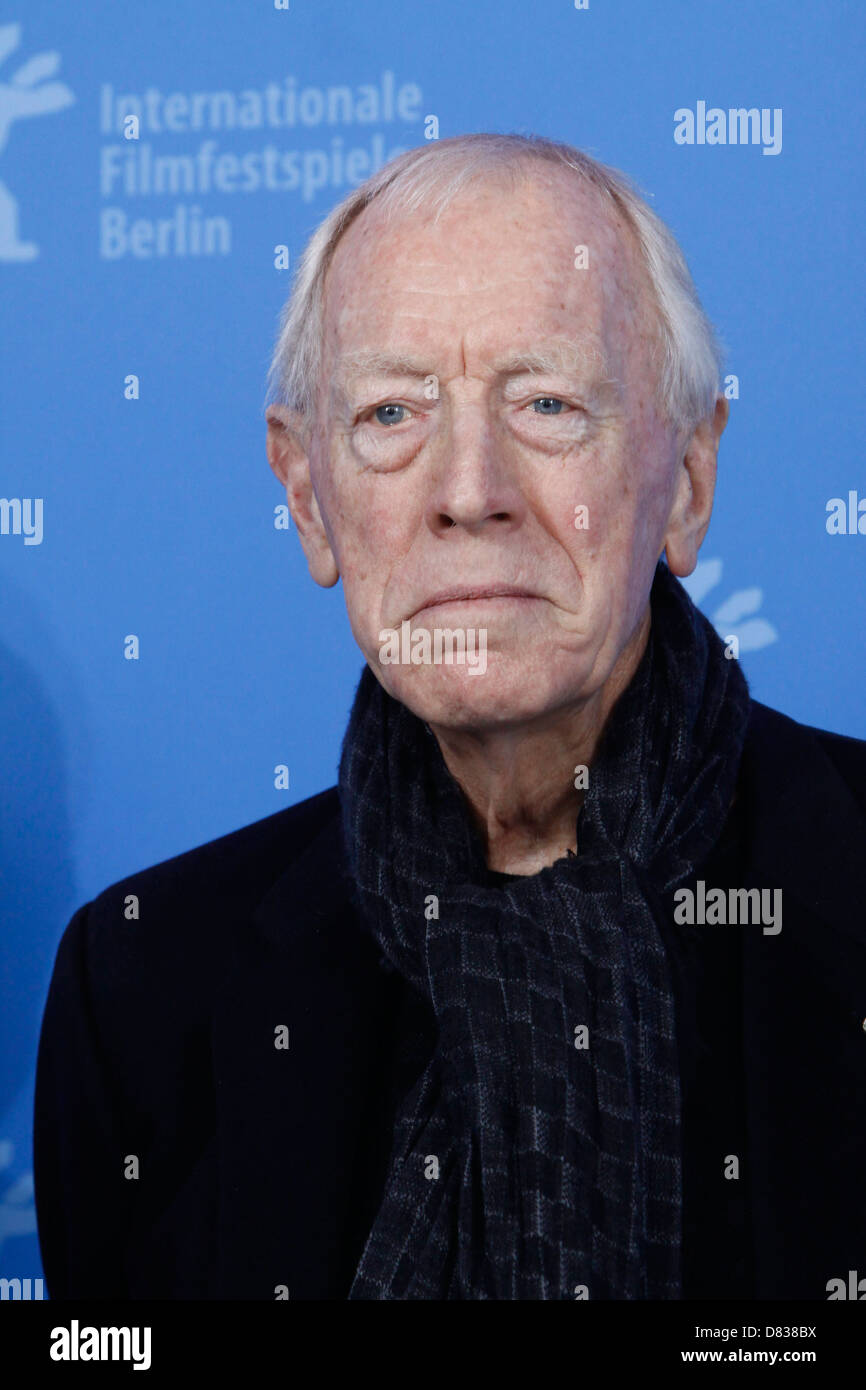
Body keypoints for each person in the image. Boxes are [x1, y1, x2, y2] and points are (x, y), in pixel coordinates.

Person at [34, 133, 866, 1301]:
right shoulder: (142, 985)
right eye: (388, 413)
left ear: (684, 477)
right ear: (309, 498)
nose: (467, 490)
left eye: (546, 402)